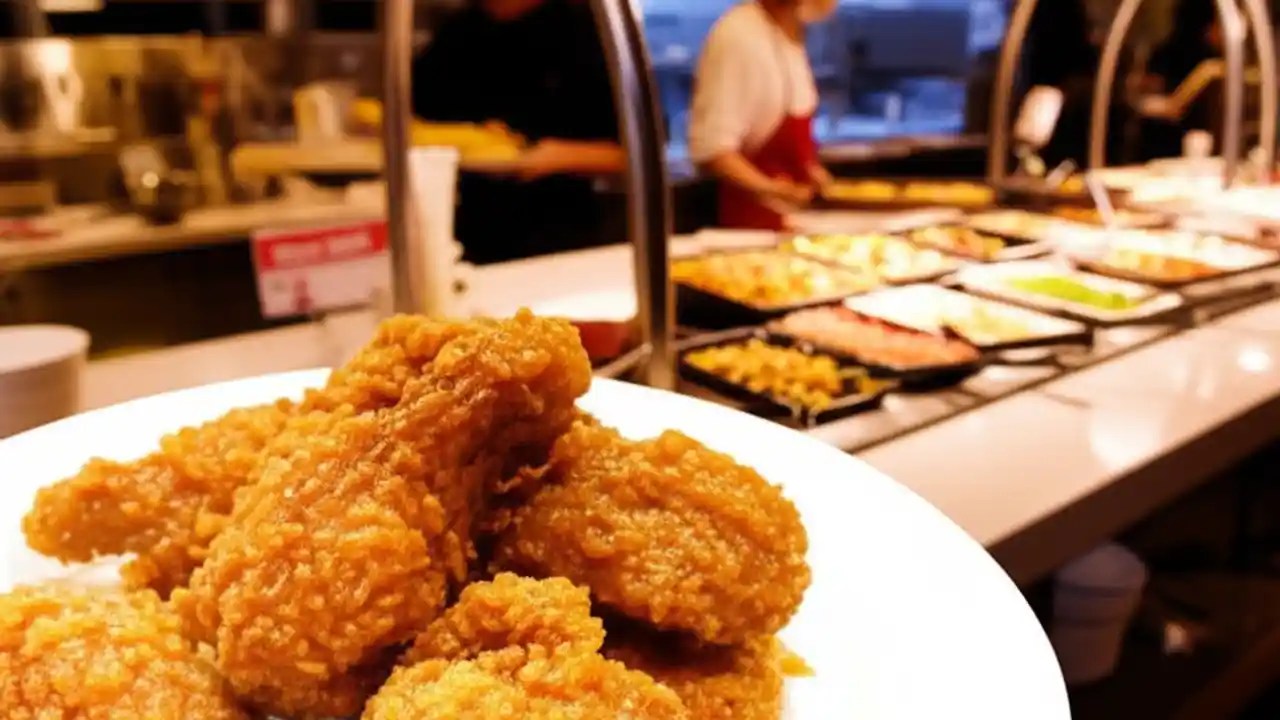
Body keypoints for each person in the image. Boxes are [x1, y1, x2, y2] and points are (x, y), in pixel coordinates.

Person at [411, 0, 624, 265]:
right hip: (459, 234)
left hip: (556, 236)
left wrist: (557, 156)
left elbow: (633, 156)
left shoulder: (585, 31)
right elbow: (413, 120)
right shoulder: (459, 31)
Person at [688, 0, 837, 230]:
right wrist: (771, 189)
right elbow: (714, 151)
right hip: (750, 227)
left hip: (794, 222)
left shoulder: (787, 33)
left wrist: (812, 172)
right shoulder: (739, 36)